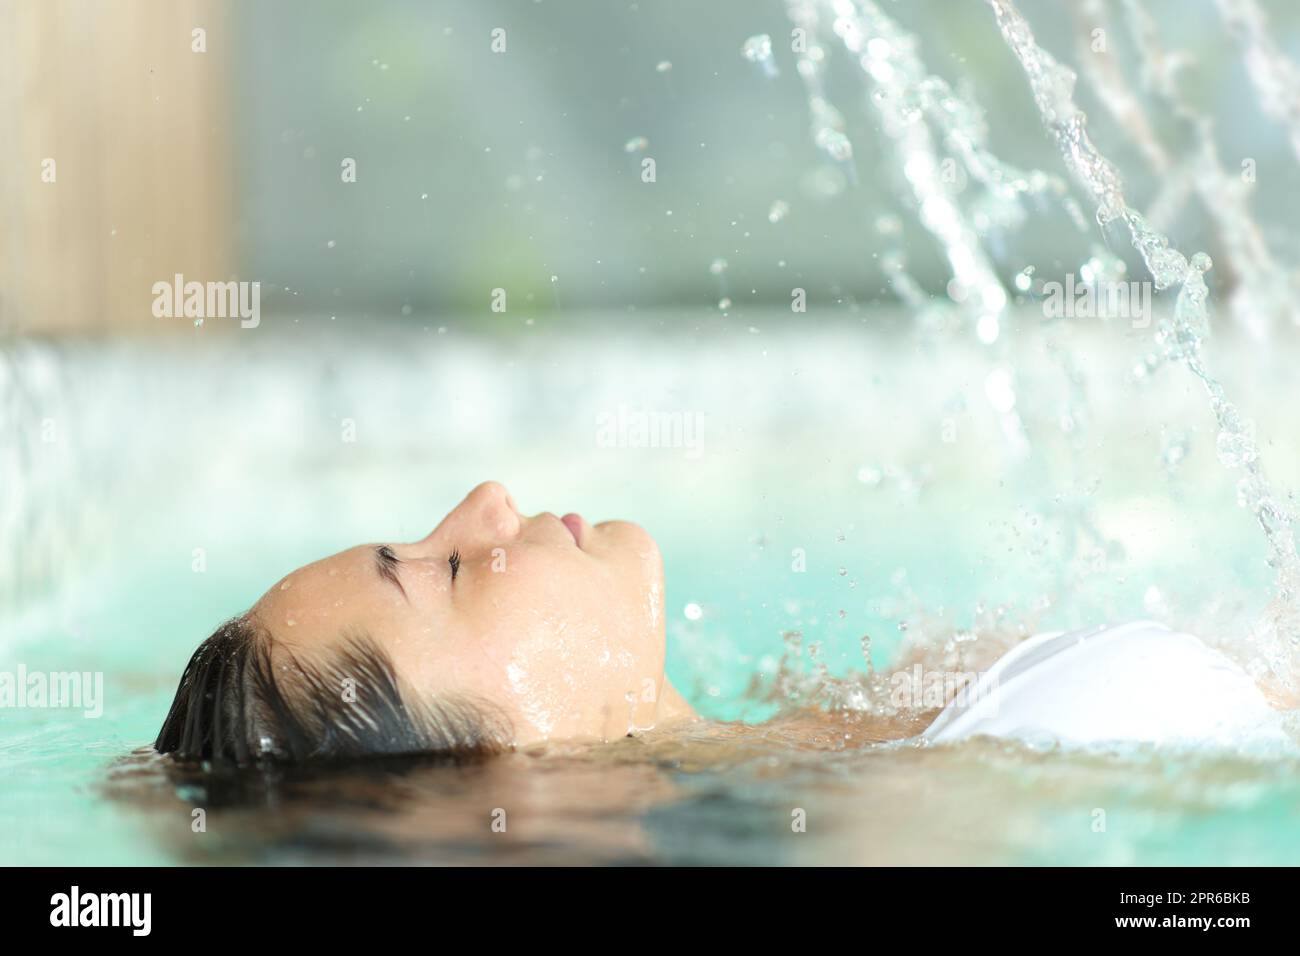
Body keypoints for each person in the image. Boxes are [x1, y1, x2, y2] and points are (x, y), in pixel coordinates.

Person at [155, 482, 1288, 766]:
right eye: (443, 569)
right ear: (508, 761)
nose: (489, 503)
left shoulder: (851, 737)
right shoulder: (1069, 738)